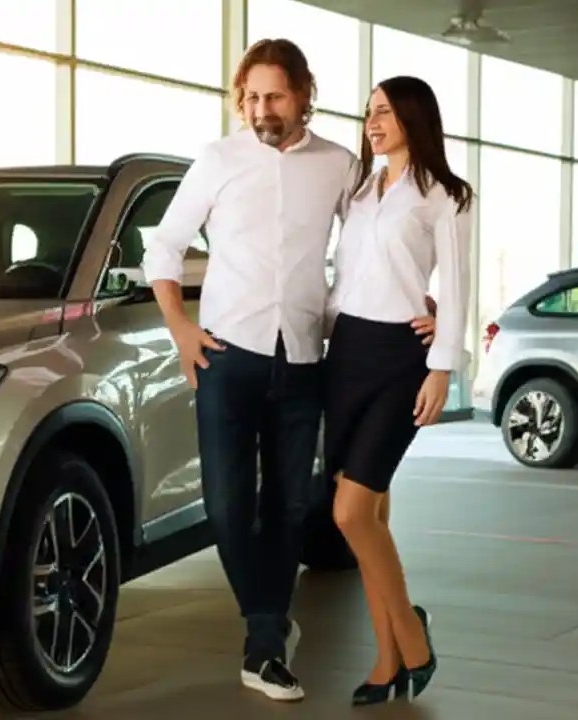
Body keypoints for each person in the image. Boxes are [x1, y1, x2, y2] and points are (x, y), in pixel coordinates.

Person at [141, 40, 435, 702]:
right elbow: (164, 247)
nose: (260, 109)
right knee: (224, 508)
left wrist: (428, 305)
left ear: (304, 94)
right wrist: (181, 330)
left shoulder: (338, 165)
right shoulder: (218, 160)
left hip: (304, 359)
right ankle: (269, 622)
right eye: (250, 97)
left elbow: (376, 243)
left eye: (273, 96)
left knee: (289, 509)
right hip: (224, 356)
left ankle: (265, 646)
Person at [323, 75, 473, 705]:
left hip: (401, 358)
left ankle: (412, 636)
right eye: (368, 112)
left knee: (350, 513)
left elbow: (456, 287)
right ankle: (387, 663)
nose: (372, 121)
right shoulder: (357, 189)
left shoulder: (446, 195)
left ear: (413, 116)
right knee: (372, 515)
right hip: (345, 352)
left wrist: (443, 365)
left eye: (383, 111)